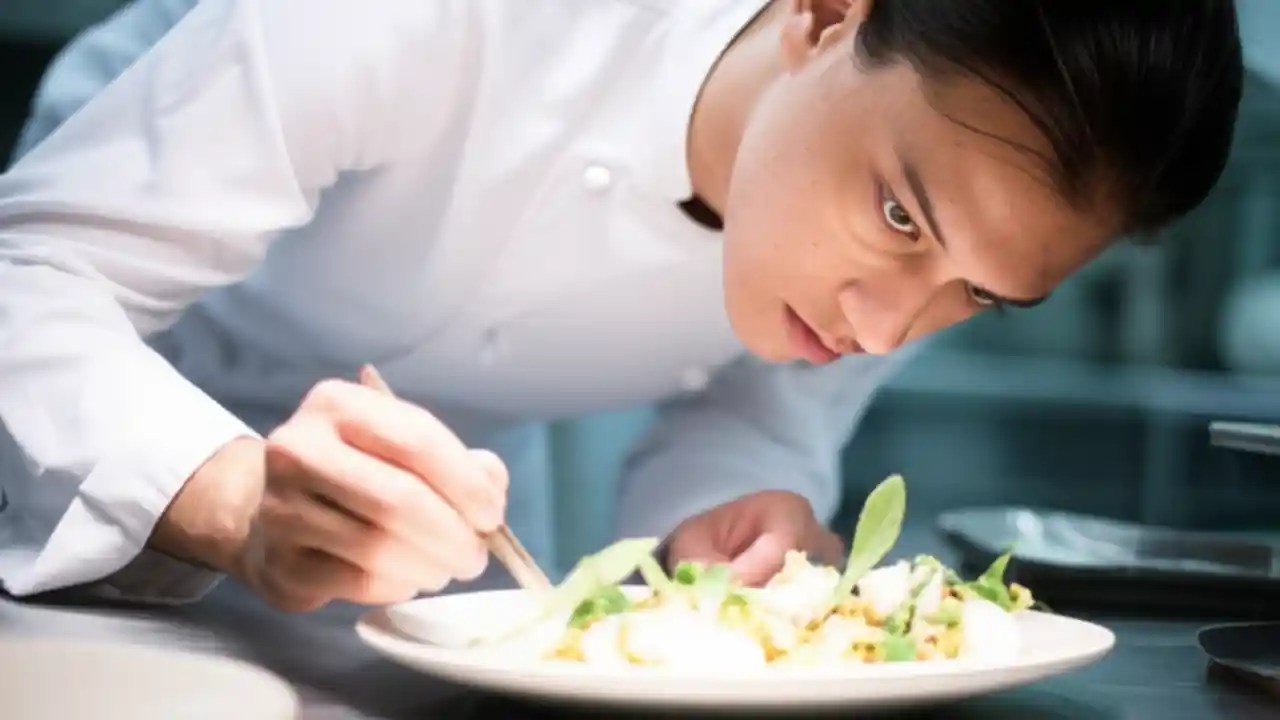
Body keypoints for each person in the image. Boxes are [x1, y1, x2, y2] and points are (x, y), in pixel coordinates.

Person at [0, 0, 1243, 613]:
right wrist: (229, 496)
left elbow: (755, 417)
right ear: (824, 15)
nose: (882, 329)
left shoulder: (898, 265)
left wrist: (734, 527)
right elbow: (29, 278)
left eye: (977, 293)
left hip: (442, 536)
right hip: (83, 409)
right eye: (902, 219)